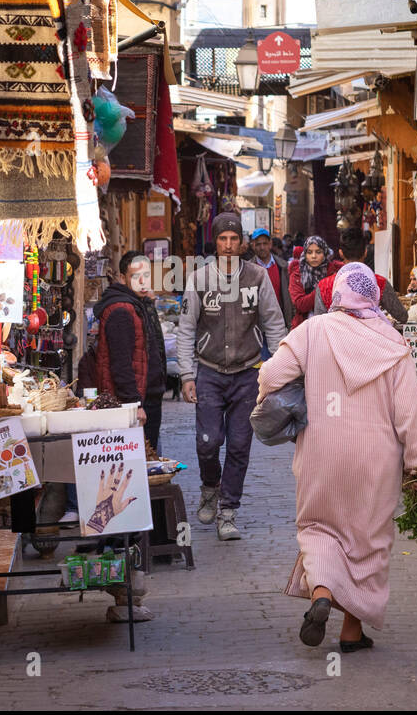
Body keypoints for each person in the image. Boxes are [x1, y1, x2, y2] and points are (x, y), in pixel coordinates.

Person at [257, 263, 417, 652]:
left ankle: (322, 592)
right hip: (376, 461)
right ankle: (351, 632)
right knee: (368, 540)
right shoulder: (393, 343)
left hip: (321, 452)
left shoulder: (312, 332)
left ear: (335, 295)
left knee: (319, 529)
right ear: (372, 295)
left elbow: (270, 376)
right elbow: (410, 413)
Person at [177, 212, 287, 541]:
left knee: (239, 444)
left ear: (242, 244)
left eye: (233, 239)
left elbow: (273, 324)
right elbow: (185, 330)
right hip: (209, 372)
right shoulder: (198, 279)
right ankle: (210, 486)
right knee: (208, 442)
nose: (227, 245)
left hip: (247, 372)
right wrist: (186, 375)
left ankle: (228, 509)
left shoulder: (257, 277)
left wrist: (278, 370)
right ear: (216, 243)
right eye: (222, 239)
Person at [89, 251, 166, 449]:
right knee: (139, 461)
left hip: (146, 395)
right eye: (135, 276)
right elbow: (120, 363)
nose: (142, 281)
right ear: (123, 278)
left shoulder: (137, 304)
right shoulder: (122, 310)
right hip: (134, 402)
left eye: (146, 276)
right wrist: (135, 404)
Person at [312, 227, 407, 322]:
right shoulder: (379, 282)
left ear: (341, 253)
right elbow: (402, 316)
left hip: (333, 336)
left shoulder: (324, 286)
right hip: (371, 336)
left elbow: (319, 323)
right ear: (365, 252)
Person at [243, 227, 294, 330]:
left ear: (270, 244)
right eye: (258, 244)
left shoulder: (282, 267)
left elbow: (289, 297)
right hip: (257, 326)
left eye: (265, 243)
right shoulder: (247, 269)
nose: (262, 247)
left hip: (279, 323)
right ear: (253, 245)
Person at [286, 235, 341, 328]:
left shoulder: (334, 271)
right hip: (304, 327)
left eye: (318, 252)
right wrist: (323, 287)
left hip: (330, 325)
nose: (314, 256)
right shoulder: (297, 274)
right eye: (309, 252)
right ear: (305, 254)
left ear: (325, 253)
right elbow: (300, 304)